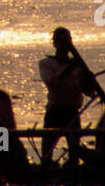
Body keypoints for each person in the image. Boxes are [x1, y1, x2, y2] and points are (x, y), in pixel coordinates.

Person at [39, 27, 95, 177]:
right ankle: (42, 181)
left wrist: (89, 80)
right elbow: (53, 83)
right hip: (54, 112)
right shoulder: (46, 64)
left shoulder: (78, 66)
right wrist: (70, 68)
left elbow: (89, 92)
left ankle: (74, 184)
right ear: (55, 44)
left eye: (67, 41)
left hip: (72, 113)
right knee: (47, 152)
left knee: (74, 153)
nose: (65, 45)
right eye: (61, 41)